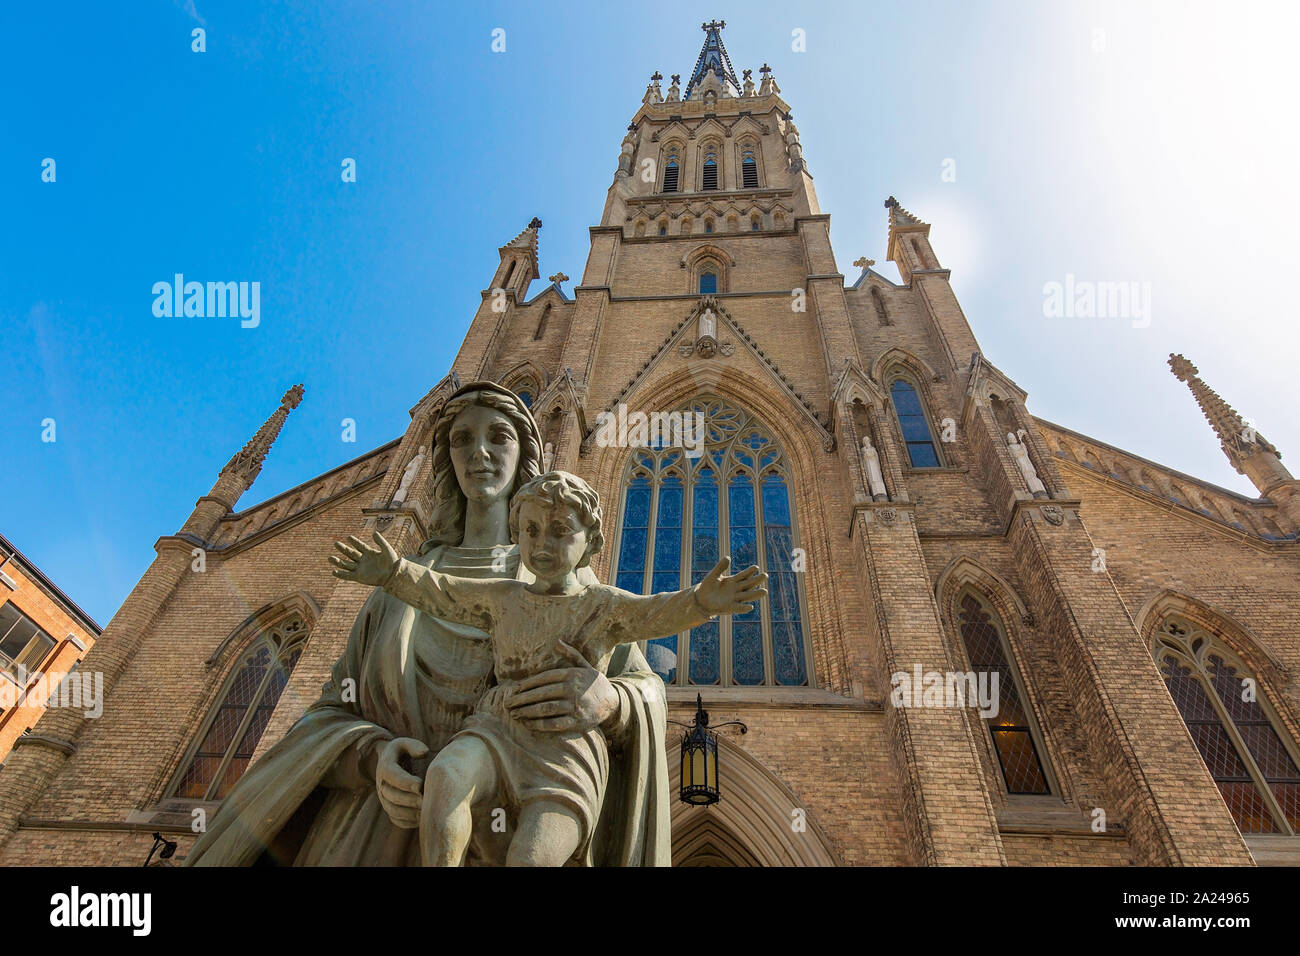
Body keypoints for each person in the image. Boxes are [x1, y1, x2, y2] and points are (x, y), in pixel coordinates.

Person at [185, 382, 672, 866]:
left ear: (527, 451)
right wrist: (373, 757)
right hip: (373, 834)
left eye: (498, 436)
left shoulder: (567, 585)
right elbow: (329, 713)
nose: (478, 452)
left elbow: (643, 686)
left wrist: (611, 702)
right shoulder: (399, 586)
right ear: (444, 457)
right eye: (461, 439)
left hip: (514, 836)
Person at [331, 473, 765, 866]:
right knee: (446, 777)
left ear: (591, 542)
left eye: (560, 532)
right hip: (498, 726)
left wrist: (701, 602)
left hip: (565, 750)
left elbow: (654, 612)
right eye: (530, 531)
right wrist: (392, 572)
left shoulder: (603, 604)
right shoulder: (502, 597)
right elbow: (442, 593)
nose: (541, 546)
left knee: (532, 858)